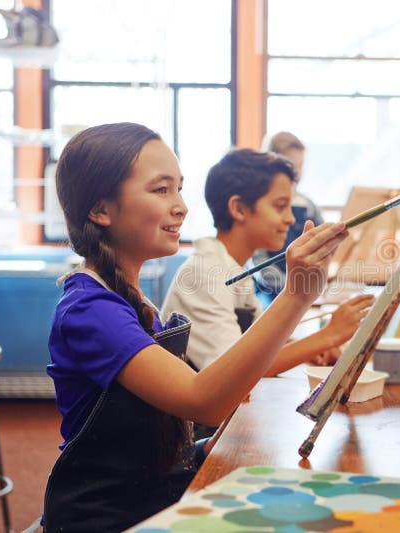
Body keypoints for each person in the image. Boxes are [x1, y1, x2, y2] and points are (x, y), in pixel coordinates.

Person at [42, 123, 348, 532]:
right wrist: (296, 296)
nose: (181, 206)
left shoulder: (132, 300)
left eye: (180, 188)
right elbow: (203, 400)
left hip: (149, 495)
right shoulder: (90, 309)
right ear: (101, 210)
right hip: (110, 516)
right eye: (161, 189)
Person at [161, 148, 373, 376]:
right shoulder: (204, 274)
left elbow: (262, 345)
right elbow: (236, 371)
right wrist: (328, 336)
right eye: (280, 206)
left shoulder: (234, 269)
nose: (290, 219)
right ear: (239, 209)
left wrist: (313, 349)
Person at [252, 131, 324, 302]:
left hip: (299, 291)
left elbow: (325, 242)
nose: (297, 175)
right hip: (268, 294)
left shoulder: (307, 205)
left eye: (301, 167)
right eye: (292, 167)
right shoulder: (257, 205)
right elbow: (259, 265)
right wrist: (292, 288)